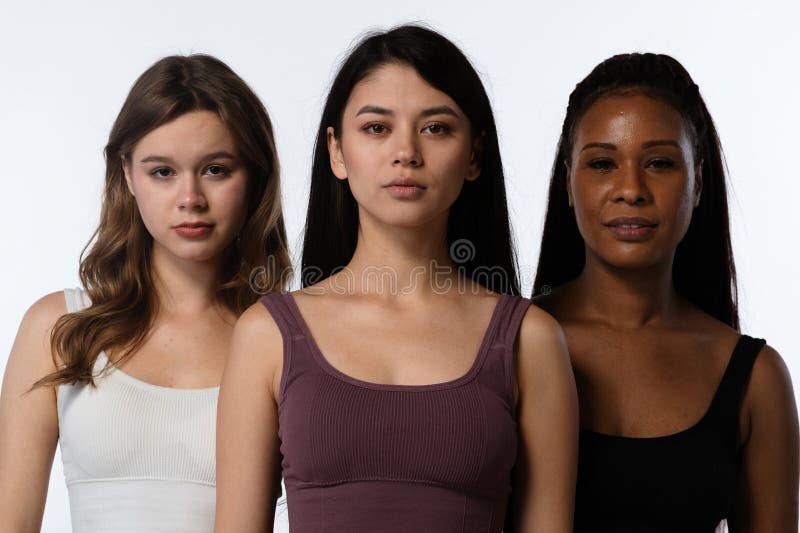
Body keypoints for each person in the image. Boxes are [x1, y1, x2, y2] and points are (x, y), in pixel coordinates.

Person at [215, 25, 578, 533]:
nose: (406, 152)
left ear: (474, 155)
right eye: (377, 128)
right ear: (337, 152)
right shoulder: (267, 335)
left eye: (436, 128)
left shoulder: (530, 340)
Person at [0, 54, 290, 533]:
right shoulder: (60, 326)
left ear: (255, 177)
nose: (190, 198)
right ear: (127, 174)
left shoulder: (282, 338)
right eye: (162, 172)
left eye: (216, 169)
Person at [533, 52, 799, 532]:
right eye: (601, 163)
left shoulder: (755, 380)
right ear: (569, 184)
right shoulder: (504, 344)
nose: (630, 189)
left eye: (658, 162)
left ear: (698, 183)